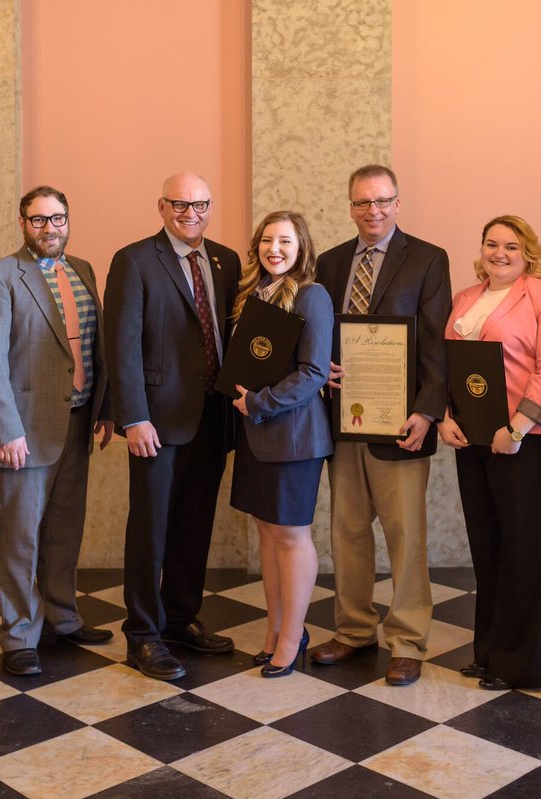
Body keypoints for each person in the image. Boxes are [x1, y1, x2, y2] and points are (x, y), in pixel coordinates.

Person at [311, 164, 451, 686]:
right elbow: (316, 332)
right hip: (344, 419)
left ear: (398, 202)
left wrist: (428, 411)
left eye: (382, 201)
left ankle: (408, 639)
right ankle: (352, 630)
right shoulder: (329, 262)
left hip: (402, 423)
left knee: (405, 536)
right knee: (346, 531)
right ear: (350, 207)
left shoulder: (429, 259)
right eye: (362, 203)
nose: (372, 211)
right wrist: (319, 364)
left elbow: (437, 343)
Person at [0, 186, 115, 677]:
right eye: (38, 220)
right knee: (21, 538)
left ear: (68, 220)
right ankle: (18, 634)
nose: (49, 228)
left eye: (57, 218)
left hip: (75, 424)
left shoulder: (84, 271)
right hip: (24, 434)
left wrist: (103, 406)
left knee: (64, 532)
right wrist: (6, 430)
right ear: (21, 222)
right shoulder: (1, 275)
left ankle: (62, 616)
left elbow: (94, 347)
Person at [103, 173, 241, 681]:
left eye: (200, 204)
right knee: (150, 528)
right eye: (180, 204)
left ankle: (180, 618)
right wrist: (133, 416)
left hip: (212, 416)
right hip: (156, 420)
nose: (191, 213)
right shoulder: (135, 260)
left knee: (194, 524)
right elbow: (122, 344)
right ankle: (142, 633)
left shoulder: (226, 260)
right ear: (161, 206)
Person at [438, 215, 541, 690]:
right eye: (492, 244)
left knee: (523, 548)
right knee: (487, 544)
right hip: (471, 438)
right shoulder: (465, 298)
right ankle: (489, 652)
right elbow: (450, 365)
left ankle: (521, 664)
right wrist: (446, 417)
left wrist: (517, 428)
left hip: (528, 440)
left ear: (527, 252)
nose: (500, 253)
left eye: (511, 246)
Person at [229, 211, 333, 677]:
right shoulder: (251, 296)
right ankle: (274, 628)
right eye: (267, 241)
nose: (275, 249)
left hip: (293, 436)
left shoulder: (313, 296)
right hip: (254, 435)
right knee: (267, 534)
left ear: (301, 248)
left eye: (285, 241)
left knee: (291, 536)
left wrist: (259, 402)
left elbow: (313, 373)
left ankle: (293, 635)